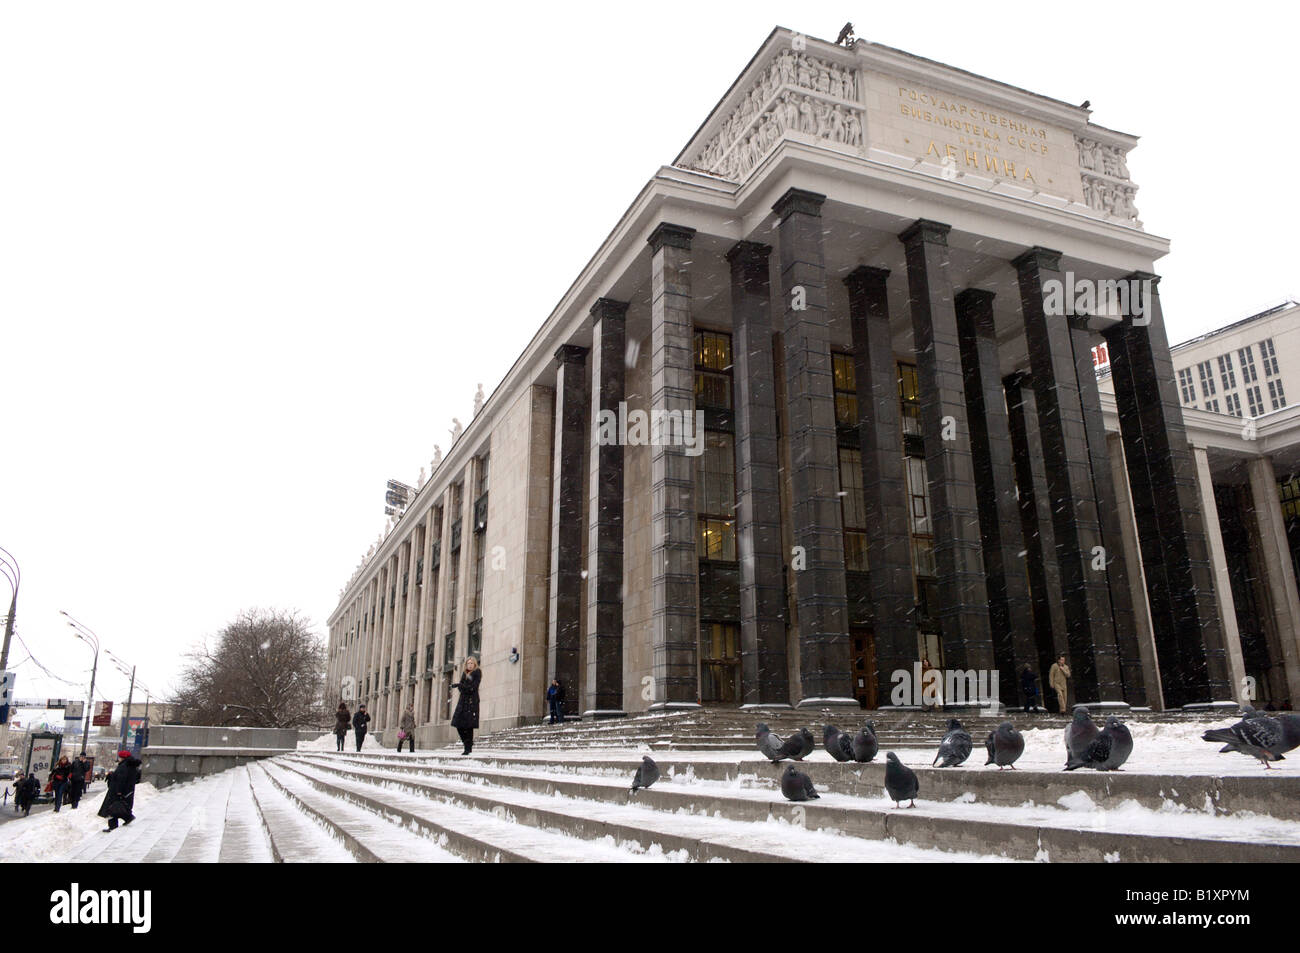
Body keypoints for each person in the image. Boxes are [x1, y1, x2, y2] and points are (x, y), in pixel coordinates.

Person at [98, 749, 142, 832]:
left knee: (112, 808)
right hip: (125, 790)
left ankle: (120, 822)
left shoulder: (124, 766)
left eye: (120, 757)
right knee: (116, 807)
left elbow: (121, 779)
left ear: (123, 758)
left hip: (116, 790)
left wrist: (118, 790)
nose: (119, 758)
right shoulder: (130, 765)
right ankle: (126, 818)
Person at [450, 656, 481, 756]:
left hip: (472, 702)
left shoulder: (477, 673)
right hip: (463, 702)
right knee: (458, 724)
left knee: (469, 726)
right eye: (468, 663)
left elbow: (473, 687)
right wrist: (461, 687)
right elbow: (462, 688)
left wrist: (461, 686)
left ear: (475, 664)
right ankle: (467, 743)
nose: (470, 665)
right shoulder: (464, 673)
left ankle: (468, 748)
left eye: (472, 663)